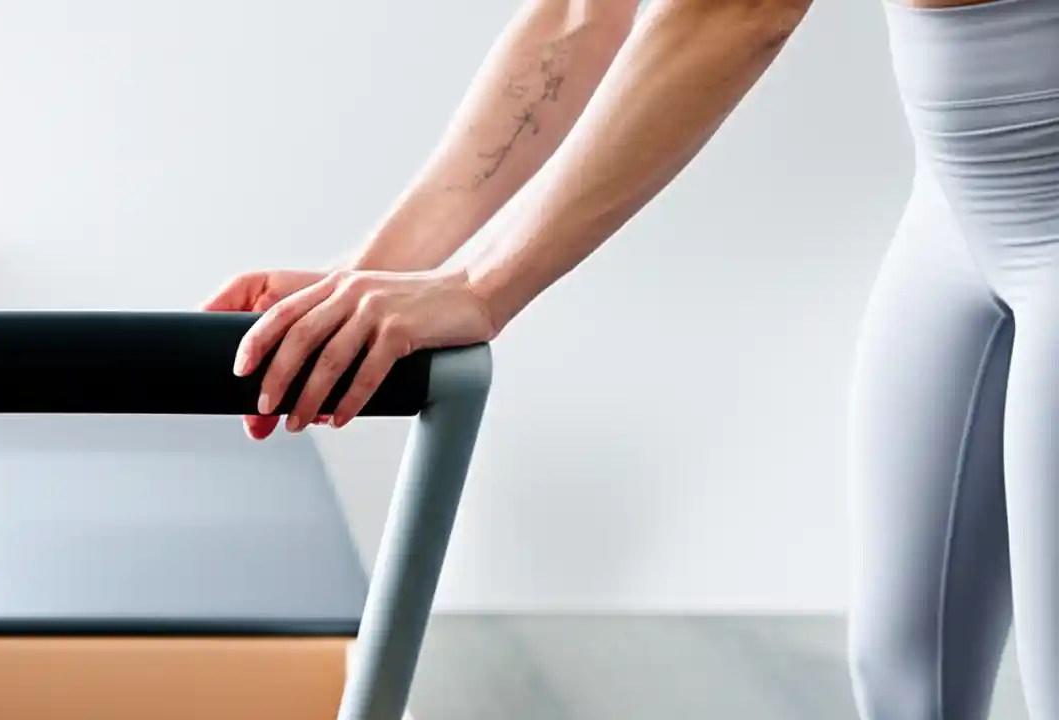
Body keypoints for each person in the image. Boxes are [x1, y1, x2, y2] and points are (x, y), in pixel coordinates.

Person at [204, 0, 1059, 717]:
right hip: (953, 205)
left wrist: (477, 283)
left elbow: (741, 9)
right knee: (905, 673)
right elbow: (583, 12)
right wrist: (376, 277)